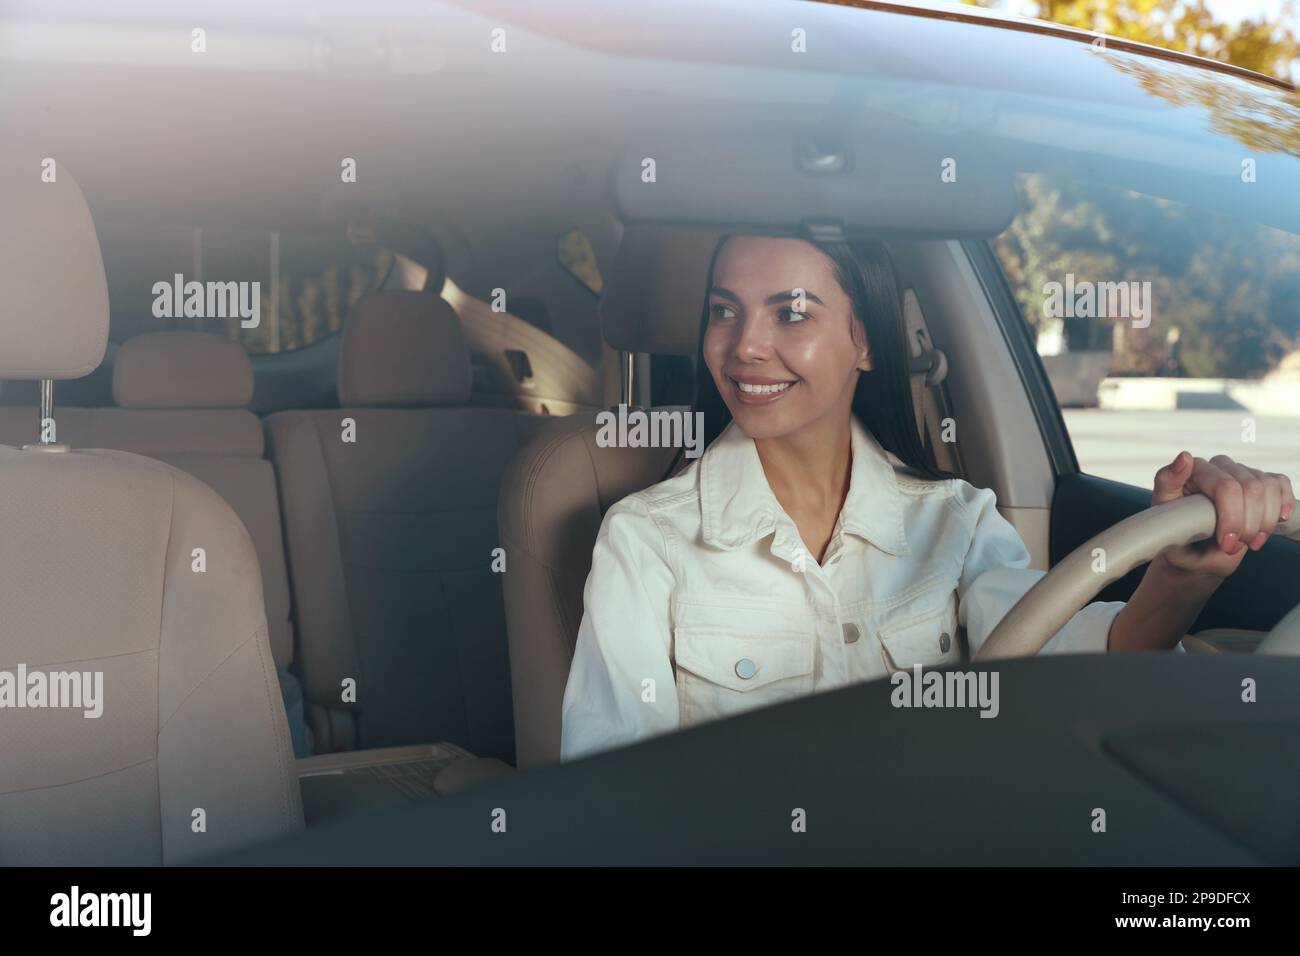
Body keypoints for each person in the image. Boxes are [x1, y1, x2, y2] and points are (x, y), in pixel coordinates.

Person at [560, 235, 1295, 761]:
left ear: (867, 343)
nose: (743, 345)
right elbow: (606, 791)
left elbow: (1064, 660)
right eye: (723, 312)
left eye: (790, 313)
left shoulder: (957, 518)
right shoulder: (647, 538)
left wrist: (1178, 576)